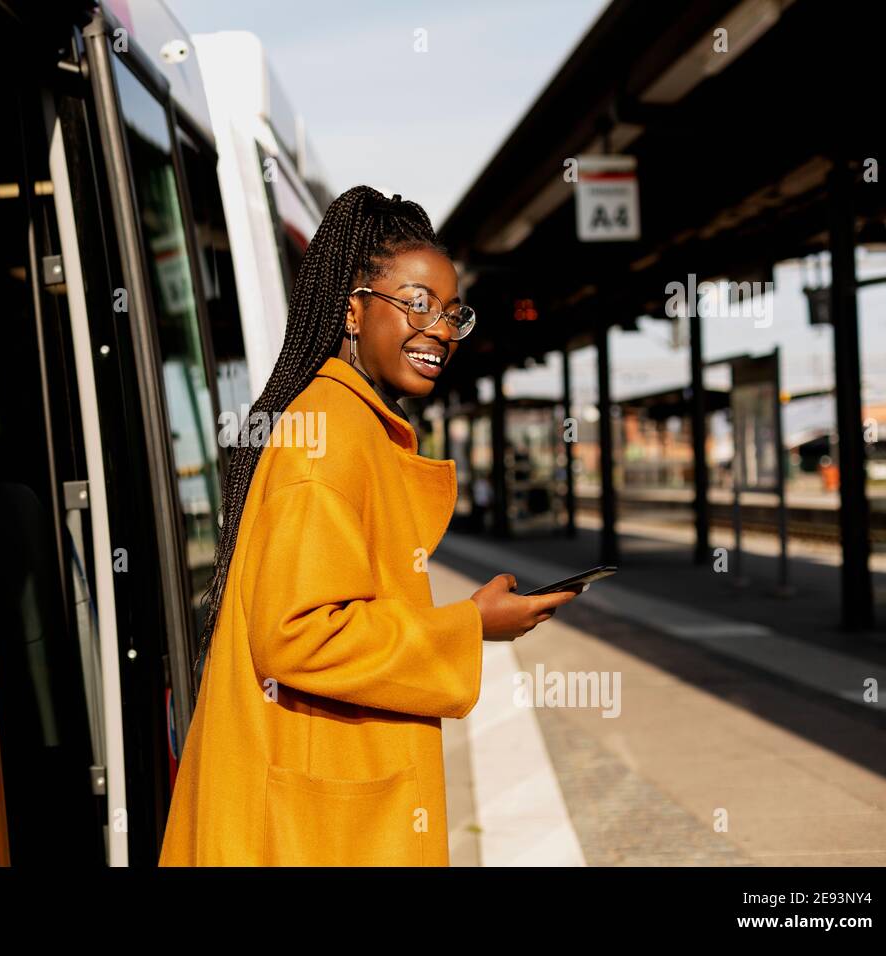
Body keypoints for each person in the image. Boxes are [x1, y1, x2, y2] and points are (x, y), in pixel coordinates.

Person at [159, 186, 577, 866]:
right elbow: (297, 635)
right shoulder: (328, 434)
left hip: (323, 797)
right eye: (416, 304)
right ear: (352, 310)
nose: (439, 328)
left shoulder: (343, 419)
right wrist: (470, 625)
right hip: (311, 827)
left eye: (451, 312)